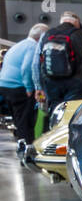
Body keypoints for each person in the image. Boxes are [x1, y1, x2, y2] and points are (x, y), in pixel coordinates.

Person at [31, 11, 82, 112]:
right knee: (74, 114)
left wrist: (38, 87)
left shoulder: (46, 35)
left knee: (56, 113)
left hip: (51, 82)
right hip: (77, 83)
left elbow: (35, 64)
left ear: (61, 22)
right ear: (77, 23)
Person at [0, 22, 47, 155]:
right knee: (26, 120)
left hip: (5, 85)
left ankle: (21, 144)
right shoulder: (32, 47)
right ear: (41, 38)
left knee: (19, 119)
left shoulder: (18, 46)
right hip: (19, 87)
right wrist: (29, 87)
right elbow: (27, 68)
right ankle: (27, 151)